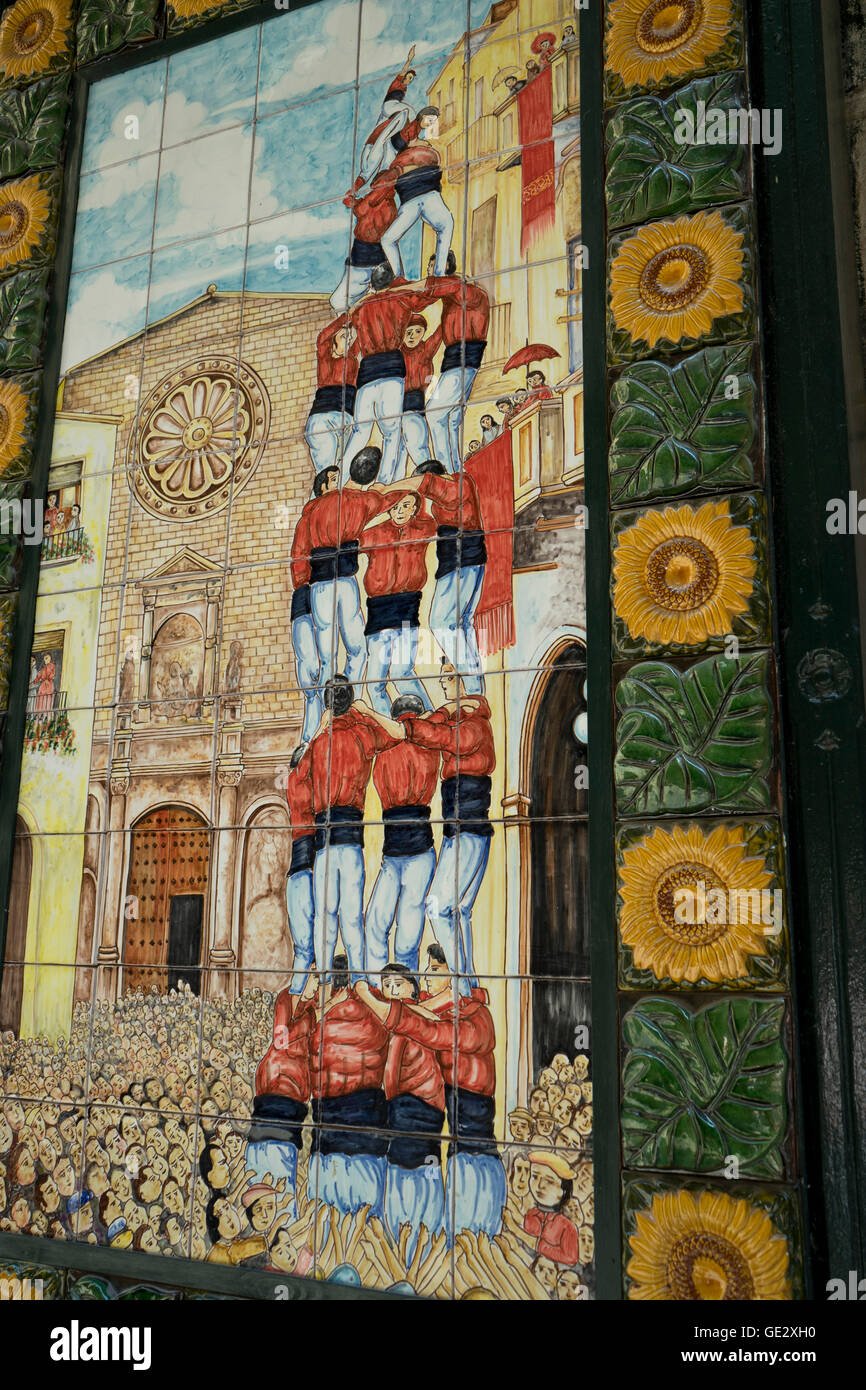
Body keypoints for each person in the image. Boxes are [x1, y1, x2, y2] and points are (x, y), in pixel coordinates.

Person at [361, 943, 505, 1240]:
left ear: (456, 975)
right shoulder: (436, 1005)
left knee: (472, 1209)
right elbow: (407, 1005)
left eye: (435, 970)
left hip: (474, 1134)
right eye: (427, 969)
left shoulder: (477, 1017)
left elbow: (435, 1033)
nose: (426, 976)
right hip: (445, 1127)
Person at [296, 675, 408, 980]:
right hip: (352, 841)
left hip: (324, 843)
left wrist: (320, 728)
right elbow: (396, 737)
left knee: (325, 918)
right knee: (352, 919)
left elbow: (299, 773)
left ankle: (322, 982)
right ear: (350, 700)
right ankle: (360, 982)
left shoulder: (320, 742)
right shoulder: (362, 734)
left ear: (328, 705)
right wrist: (366, 712)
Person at [402, 662, 494, 989]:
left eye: (450, 677)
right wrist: (446, 709)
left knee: (438, 909)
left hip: (467, 832)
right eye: (442, 677)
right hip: (463, 832)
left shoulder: (475, 726)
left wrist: (409, 729)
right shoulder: (462, 715)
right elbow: (438, 721)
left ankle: (462, 990)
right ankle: (467, 991)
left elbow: (444, 737)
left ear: (467, 680)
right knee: (458, 915)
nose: (443, 683)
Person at [290, 448, 399, 694]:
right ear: (323, 487)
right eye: (333, 480)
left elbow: (299, 555)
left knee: (327, 654)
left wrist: (302, 584)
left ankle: (331, 701)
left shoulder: (310, 514)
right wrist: (384, 489)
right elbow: (388, 499)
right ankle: (350, 698)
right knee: (357, 648)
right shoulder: (359, 500)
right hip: (346, 581)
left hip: (319, 586)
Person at [357, 965, 444, 1260]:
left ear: (413, 987)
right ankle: (422, 1242)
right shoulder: (420, 1014)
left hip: (410, 1105)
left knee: (403, 1173)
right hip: (431, 1106)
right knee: (428, 1169)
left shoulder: (403, 1022)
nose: (392, 990)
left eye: (398, 984)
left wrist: (391, 1102)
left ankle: (406, 1242)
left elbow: (391, 1072)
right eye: (388, 985)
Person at [308, 955, 390, 1219]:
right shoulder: (376, 1017)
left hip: (328, 1143)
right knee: (368, 1235)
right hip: (369, 1139)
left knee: (326, 1233)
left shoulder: (318, 1020)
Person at [364, 694, 440, 975]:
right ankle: (404, 994)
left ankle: (378, 988)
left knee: (375, 923)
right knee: (408, 930)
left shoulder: (385, 749)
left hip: (393, 850)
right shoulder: (429, 747)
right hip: (421, 848)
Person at [340, 267, 436, 484]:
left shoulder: (361, 309)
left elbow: (351, 316)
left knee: (359, 432)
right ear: (391, 282)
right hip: (392, 370)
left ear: (372, 284)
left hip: (366, 374)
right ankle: (384, 483)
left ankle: (339, 482)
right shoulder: (398, 298)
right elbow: (427, 294)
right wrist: (404, 285)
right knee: (392, 433)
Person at [398, 460, 487, 692]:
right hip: (467, 560)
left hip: (460, 561)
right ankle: (475, 688)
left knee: (441, 623)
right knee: (462, 624)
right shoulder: (459, 485)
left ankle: (473, 685)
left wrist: (387, 489)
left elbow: (435, 490)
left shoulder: (455, 487)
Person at [246, 972, 316, 1219]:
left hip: (293, 1102)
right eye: (314, 977)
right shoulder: (287, 999)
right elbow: (281, 1039)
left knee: (283, 1183)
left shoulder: (313, 1008)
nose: (318, 984)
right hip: (278, 1092)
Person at [361, 493, 436, 715]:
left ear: (415, 509)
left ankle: (429, 717)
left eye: (405, 506)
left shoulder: (424, 527)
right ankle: (391, 730)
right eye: (394, 506)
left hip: (407, 608)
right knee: (375, 684)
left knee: (402, 671)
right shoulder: (373, 533)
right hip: (378, 612)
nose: (399, 511)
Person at [423, 269, 490, 473]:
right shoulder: (450, 304)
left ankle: (446, 469)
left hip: (463, 361)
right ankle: (455, 470)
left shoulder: (473, 294)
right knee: (451, 418)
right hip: (455, 363)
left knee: (434, 414)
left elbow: (449, 288)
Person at [379, 119, 453, 281]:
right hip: (427, 197)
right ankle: (439, 275)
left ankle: (399, 277)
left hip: (412, 201)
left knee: (387, 239)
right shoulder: (423, 153)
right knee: (446, 225)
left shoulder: (398, 160)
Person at [331, 170, 399, 314]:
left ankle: (347, 331)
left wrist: (353, 198)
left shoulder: (374, 200)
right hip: (378, 257)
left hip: (362, 258)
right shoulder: (391, 206)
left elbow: (360, 209)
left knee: (337, 300)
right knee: (361, 298)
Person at [304, 313, 359, 473]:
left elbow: (362, 338)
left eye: (349, 338)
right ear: (333, 343)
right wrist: (349, 314)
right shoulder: (326, 359)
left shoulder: (351, 360)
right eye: (343, 337)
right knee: (327, 473)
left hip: (346, 419)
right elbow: (323, 337)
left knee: (340, 475)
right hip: (324, 419)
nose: (348, 340)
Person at [284, 746, 316, 992]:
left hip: (299, 871)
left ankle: (297, 994)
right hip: (307, 869)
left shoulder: (293, 782)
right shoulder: (299, 781)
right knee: (307, 949)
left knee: (304, 950)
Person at [397, 314, 442, 472]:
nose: (412, 336)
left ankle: (431, 476)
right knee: (398, 455)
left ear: (423, 333)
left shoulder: (425, 349)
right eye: (408, 331)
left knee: (418, 448)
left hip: (413, 405)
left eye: (417, 331)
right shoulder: (396, 352)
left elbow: (439, 333)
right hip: (394, 409)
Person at [521, 1151, 579, 1266]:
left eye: (549, 1181)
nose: (540, 1185)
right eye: (535, 1176)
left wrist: (539, 1246)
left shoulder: (567, 1227)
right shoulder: (531, 1215)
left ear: (564, 1190)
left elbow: (570, 1258)